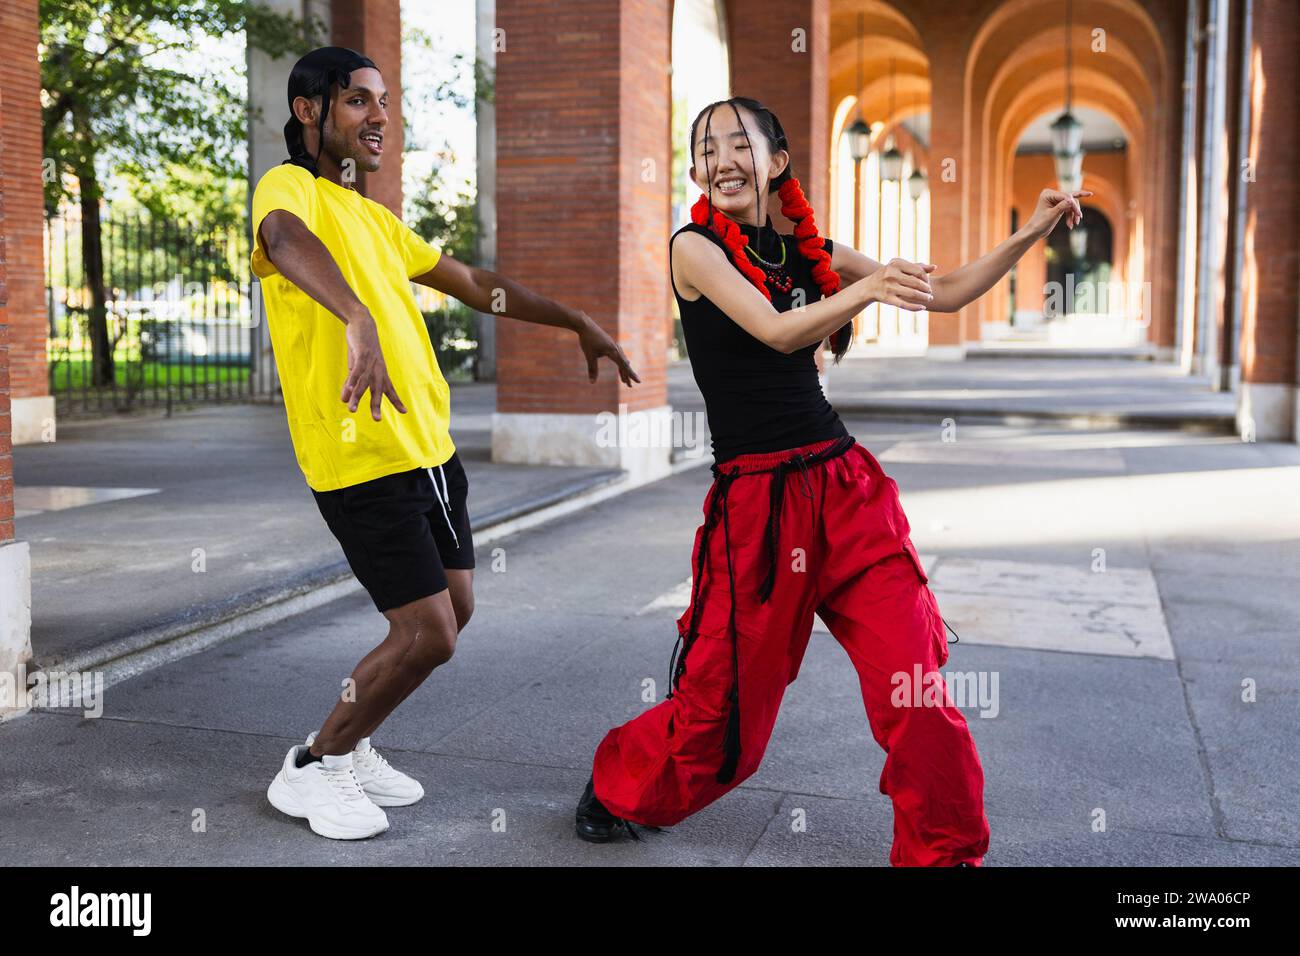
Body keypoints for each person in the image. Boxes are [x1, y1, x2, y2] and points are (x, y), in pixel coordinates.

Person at [575, 96, 1088, 865]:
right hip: (758, 510)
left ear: (777, 162)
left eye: (738, 143)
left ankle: (944, 856)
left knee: (915, 691)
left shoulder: (808, 251)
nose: (722, 159)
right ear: (695, 170)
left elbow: (941, 293)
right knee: (723, 725)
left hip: (846, 493)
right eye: (706, 147)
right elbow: (778, 329)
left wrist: (1030, 231)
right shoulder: (694, 250)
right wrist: (867, 288)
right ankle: (618, 785)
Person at [252, 47, 639, 840]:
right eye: (358, 101)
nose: (380, 117)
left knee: (453, 612)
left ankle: (352, 745)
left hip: (429, 453)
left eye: (384, 102)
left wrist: (574, 318)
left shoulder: (379, 220)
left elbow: (475, 283)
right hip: (359, 456)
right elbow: (284, 239)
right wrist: (356, 315)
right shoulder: (290, 191)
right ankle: (314, 764)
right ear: (309, 111)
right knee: (427, 631)